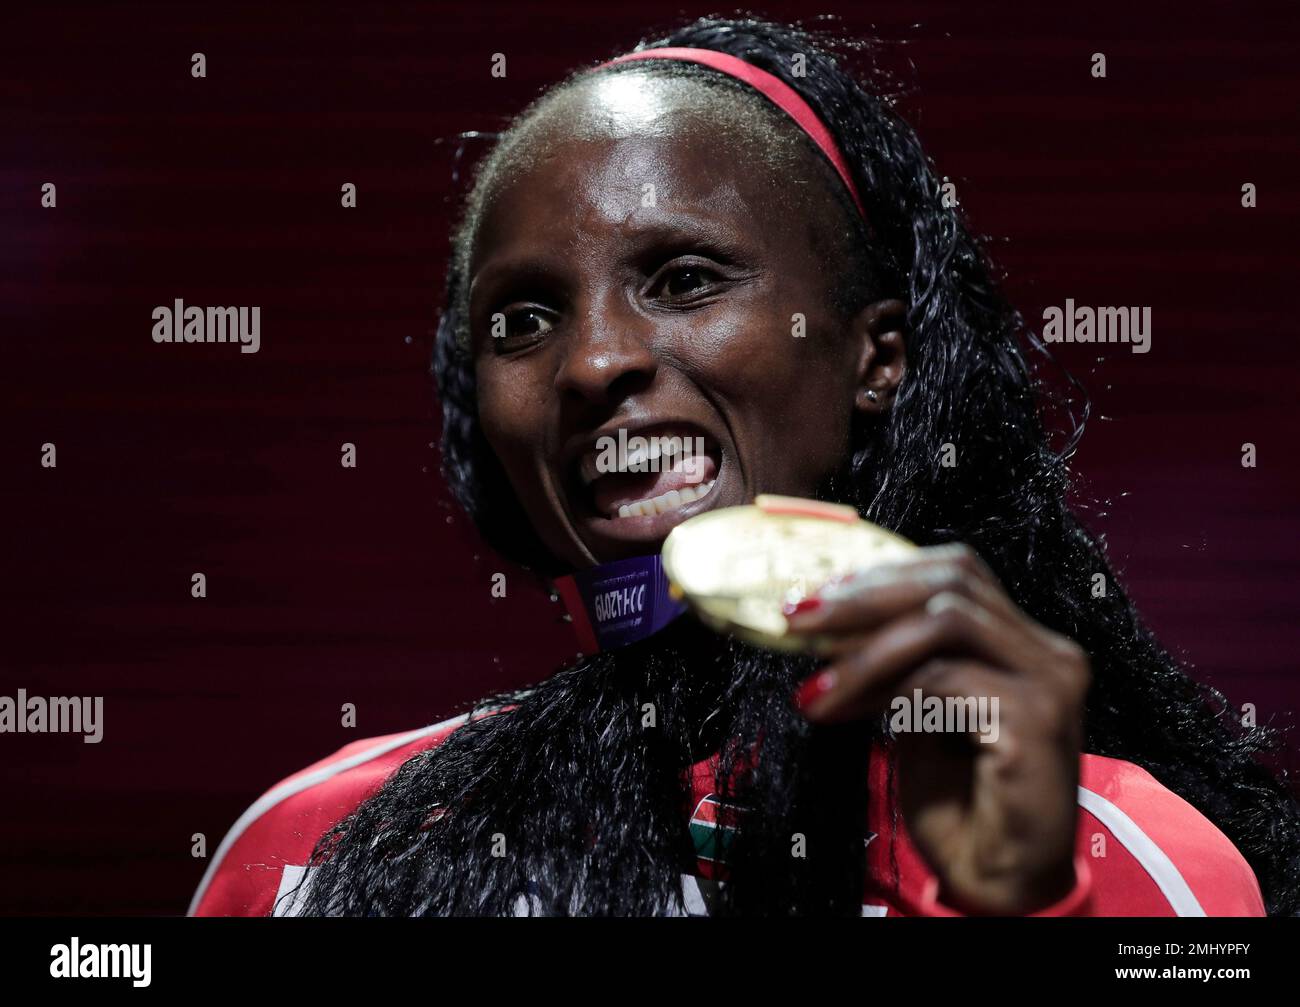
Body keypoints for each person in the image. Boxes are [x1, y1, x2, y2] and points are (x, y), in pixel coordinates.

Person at [189, 16, 1299, 917]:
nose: (594, 362)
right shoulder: (314, 851)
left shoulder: (1118, 855)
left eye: (682, 278)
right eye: (522, 318)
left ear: (875, 358)